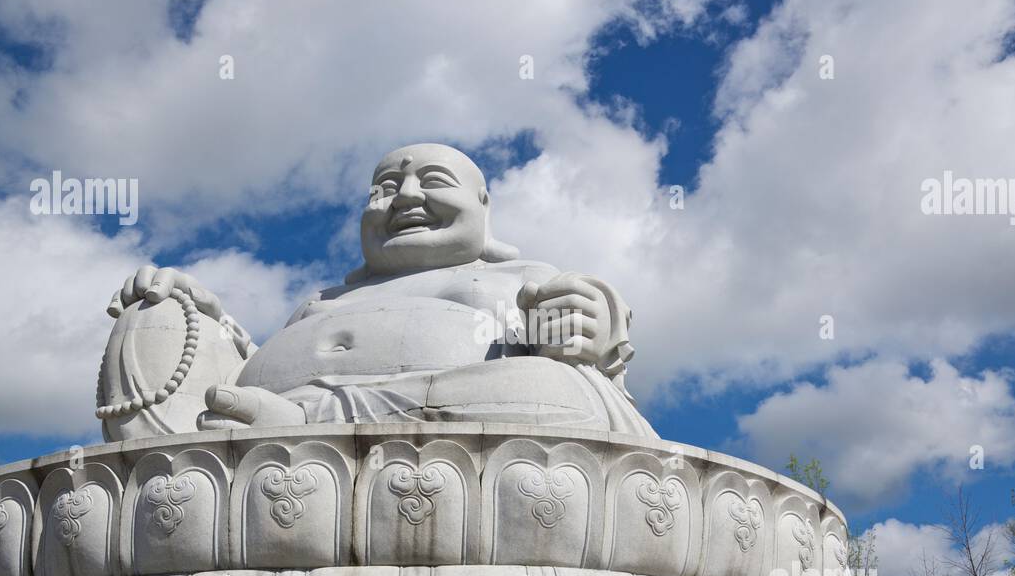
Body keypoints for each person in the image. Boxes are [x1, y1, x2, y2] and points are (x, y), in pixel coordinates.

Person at [105, 144, 655, 441]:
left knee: (561, 390)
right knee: (155, 314)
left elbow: (594, 335)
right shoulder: (321, 300)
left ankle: (315, 424)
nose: (405, 197)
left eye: (434, 181)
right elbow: (241, 383)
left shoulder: (518, 276)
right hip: (260, 434)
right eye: (385, 188)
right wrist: (203, 320)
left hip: (451, 448)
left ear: (484, 208)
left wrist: (592, 320)